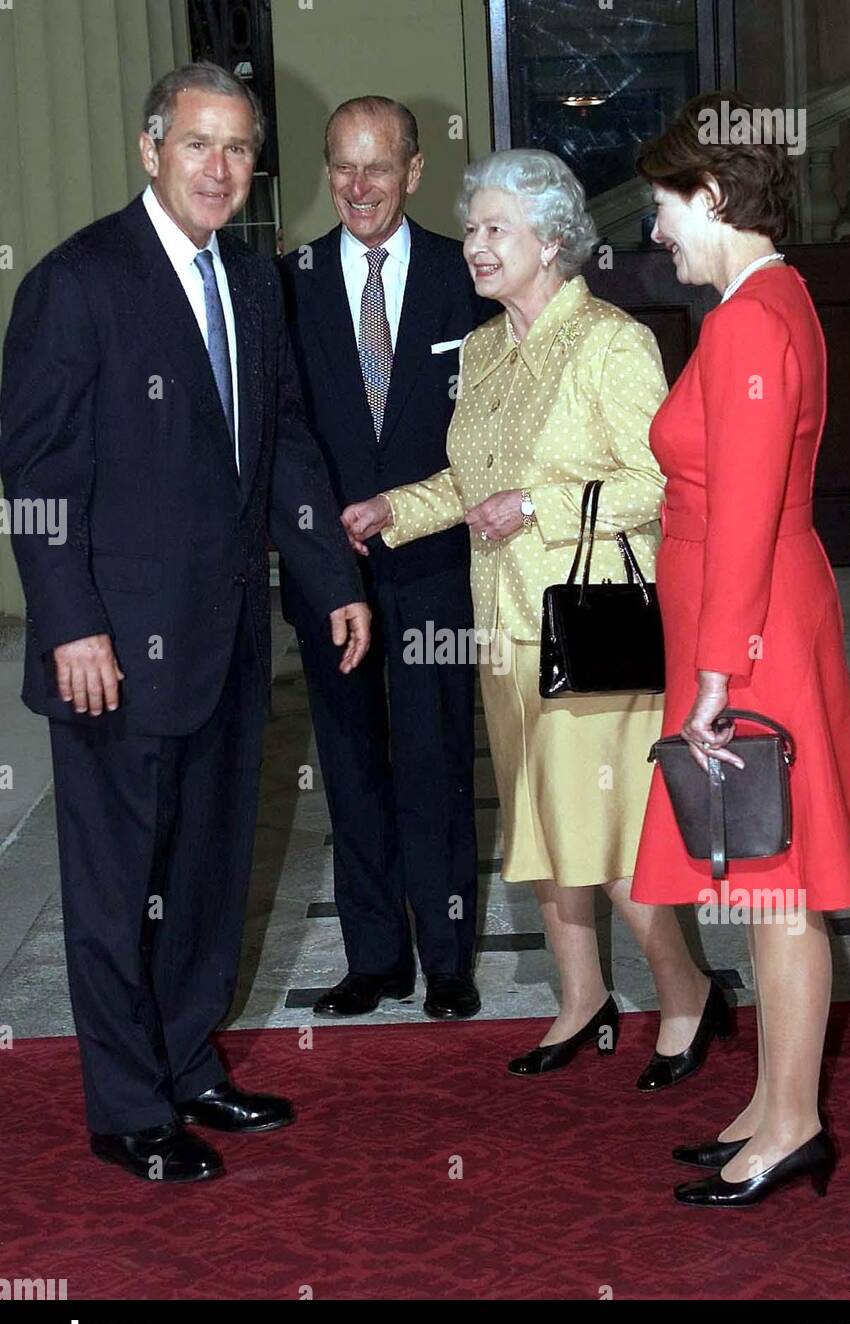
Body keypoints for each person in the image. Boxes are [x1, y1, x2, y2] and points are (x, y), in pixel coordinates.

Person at [0, 63, 370, 1183]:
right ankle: (125, 1105)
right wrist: (69, 624)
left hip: (226, 642)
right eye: (198, 144)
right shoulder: (78, 283)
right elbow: (36, 471)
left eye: (238, 149)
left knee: (211, 872)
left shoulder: (255, 286)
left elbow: (282, 450)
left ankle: (188, 1061)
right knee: (118, 888)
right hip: (111, 647)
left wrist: (333, 578)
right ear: (151, 149)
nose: (218, 168)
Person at [342, 149, 730, 1080]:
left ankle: (688, 998)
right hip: (501, 627)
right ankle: (582, 1000)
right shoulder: (479, 348)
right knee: (544, 832)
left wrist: (537, 507)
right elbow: (471, 483)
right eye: (471, 228)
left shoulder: (610, 342)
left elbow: (662, 479)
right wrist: (402, 508)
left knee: (611, 842)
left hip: (591, 633)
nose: (473, 245)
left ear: (551, 240)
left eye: (492, 229)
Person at [631, 92, 850, 1206]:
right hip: (747, 620)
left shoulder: (746, 320)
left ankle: (791, 1124)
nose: (654, 233)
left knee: (777, 884)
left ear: (716, 197)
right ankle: (772, 1101)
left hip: (753, 631)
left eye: (664, 208)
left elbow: (739, 513)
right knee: (764, 876)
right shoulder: (765, 300)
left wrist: (719, 678)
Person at [281, 98, 497, 1022]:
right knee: (351, 761)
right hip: (330, 570)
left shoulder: (467, 277)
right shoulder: (283, 284)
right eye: (340, 166)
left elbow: (490, 430)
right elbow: (282, 430)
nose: (357, 187)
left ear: (414, 172)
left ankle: (446, 958)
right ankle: (375, 959)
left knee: (437, 758)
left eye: (377, 167)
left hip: (436, 560)